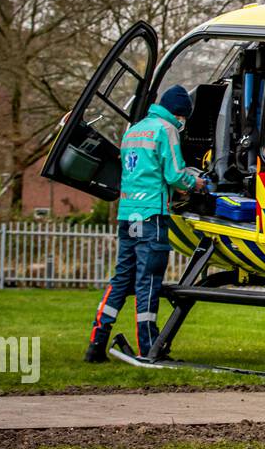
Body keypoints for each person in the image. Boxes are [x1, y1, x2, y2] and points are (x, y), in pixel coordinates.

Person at [84, 85, 206, 363]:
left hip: (128, 215)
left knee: (121, 279)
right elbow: (174, 174)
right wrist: (195, 183)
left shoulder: (134, 130)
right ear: (180, 114)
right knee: (148, 282)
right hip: (151, 215)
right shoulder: (167, 129)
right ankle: (149, 348)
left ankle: (96, 343)